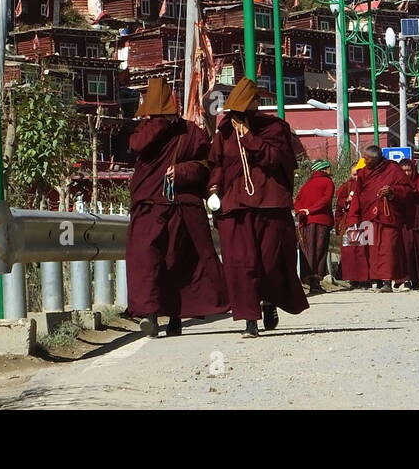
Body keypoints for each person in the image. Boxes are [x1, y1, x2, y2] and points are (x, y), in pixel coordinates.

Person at [125, 77, 228, 337]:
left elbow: (207, 166)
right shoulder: (145, 131)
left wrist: (182, 171)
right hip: (149, 206)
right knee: (146, 261)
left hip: (181, 206)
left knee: (178, 263)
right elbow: (138, 146)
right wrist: (159, 122)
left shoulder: (191, 132)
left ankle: (175, 316)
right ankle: (149, 314)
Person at [207, 77, 309, 337]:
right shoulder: (225, 131)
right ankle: (249, 319)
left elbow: (276, 160)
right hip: (234, 207)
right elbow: (217, 164)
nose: (236, 117)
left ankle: (268, 301)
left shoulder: (274, 128)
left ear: (255, 104)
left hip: (269, 204)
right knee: (240, 264)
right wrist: (213, 190)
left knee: (270, 262)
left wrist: (250, 139)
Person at [354, 146, 413, 292]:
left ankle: (388, 282)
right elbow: (358, 194)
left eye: (367, 159)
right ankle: (377, 280)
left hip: (388, 215)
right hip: (369, 216)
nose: (364, 161)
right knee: (373, 251)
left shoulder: (392, 169)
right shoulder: (363, 173)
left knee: (388, 249)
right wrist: (354, 216)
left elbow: (407, 190)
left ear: (376, 159)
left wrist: (392, 191)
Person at [293, 160, 334, 294]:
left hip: (305, 222)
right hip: (320, 220)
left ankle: (307, 279)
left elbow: (297, 200)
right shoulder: (328, 182)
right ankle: (315, 283)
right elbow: (326, 200)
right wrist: (311, 210)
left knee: (307, 251)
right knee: (319, 251)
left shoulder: (306, 184)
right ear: (324, 169)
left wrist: (301, 211)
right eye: (329, 168)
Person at [334, 167, 371, 288]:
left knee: (364, 251)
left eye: (357, 174)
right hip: (351, 222)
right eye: (354, 174)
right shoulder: (347, 186)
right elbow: (339, 203)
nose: (356, 177)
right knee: (352, 251)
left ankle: (365, 279)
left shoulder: (368, 184)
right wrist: (347, 200)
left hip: (365, 222)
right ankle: (353, 278)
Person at [401, 159, 419, 290]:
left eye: (409, 170)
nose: (407, 173)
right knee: (405, 251)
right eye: (404, 171)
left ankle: (416, 281)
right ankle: (405, 279)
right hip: (403, 223)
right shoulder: (397, 183)